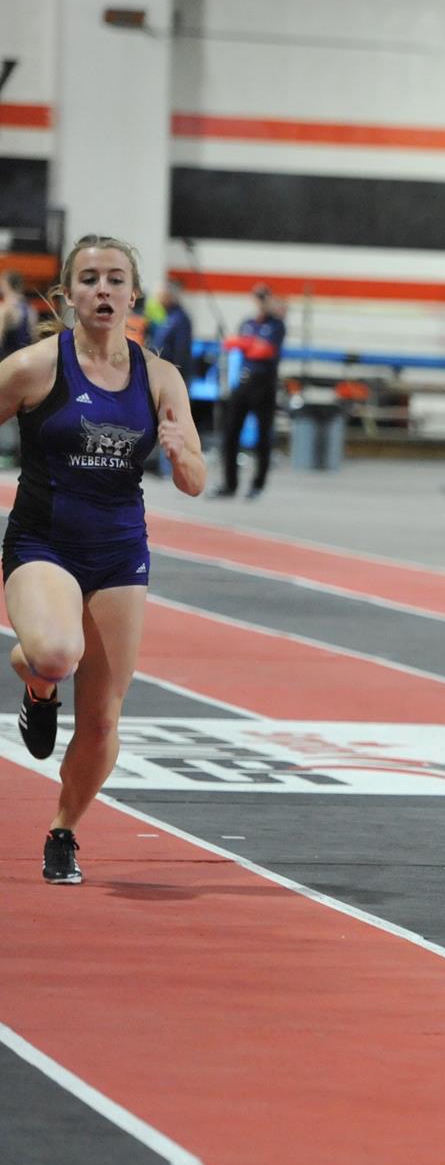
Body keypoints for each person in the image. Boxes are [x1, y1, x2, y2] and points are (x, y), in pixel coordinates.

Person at [0, 235, 206, 884]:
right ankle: (37, 678)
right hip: (43, 542)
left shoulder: (160, 377)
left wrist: (179, 452)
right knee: (59, 653)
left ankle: (64, 829)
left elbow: (196, 478)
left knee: (101, 717)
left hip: (119, 552)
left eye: (116, 278)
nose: (104, 290)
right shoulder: (34, 367)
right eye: (89, 279)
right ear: (67, 296)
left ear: (134, 295)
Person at [214, 282, 285, 499]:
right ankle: (229, 484)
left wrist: (242, 344)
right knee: (231, 433)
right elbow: (230, 345)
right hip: (244, 382)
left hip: (265, 385)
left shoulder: (276, 326)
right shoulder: (247, 323)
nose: (261, 303)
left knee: (263, 437)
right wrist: (244, 344)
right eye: (258, 298)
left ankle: (258, 484)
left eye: (265, 298)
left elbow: (264, 350)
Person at [0, 270, 35, 361]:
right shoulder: (31, 309)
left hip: (6, 361)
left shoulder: (5, 309)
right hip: (24, 360)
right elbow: (34, 338)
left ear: (6, 284)